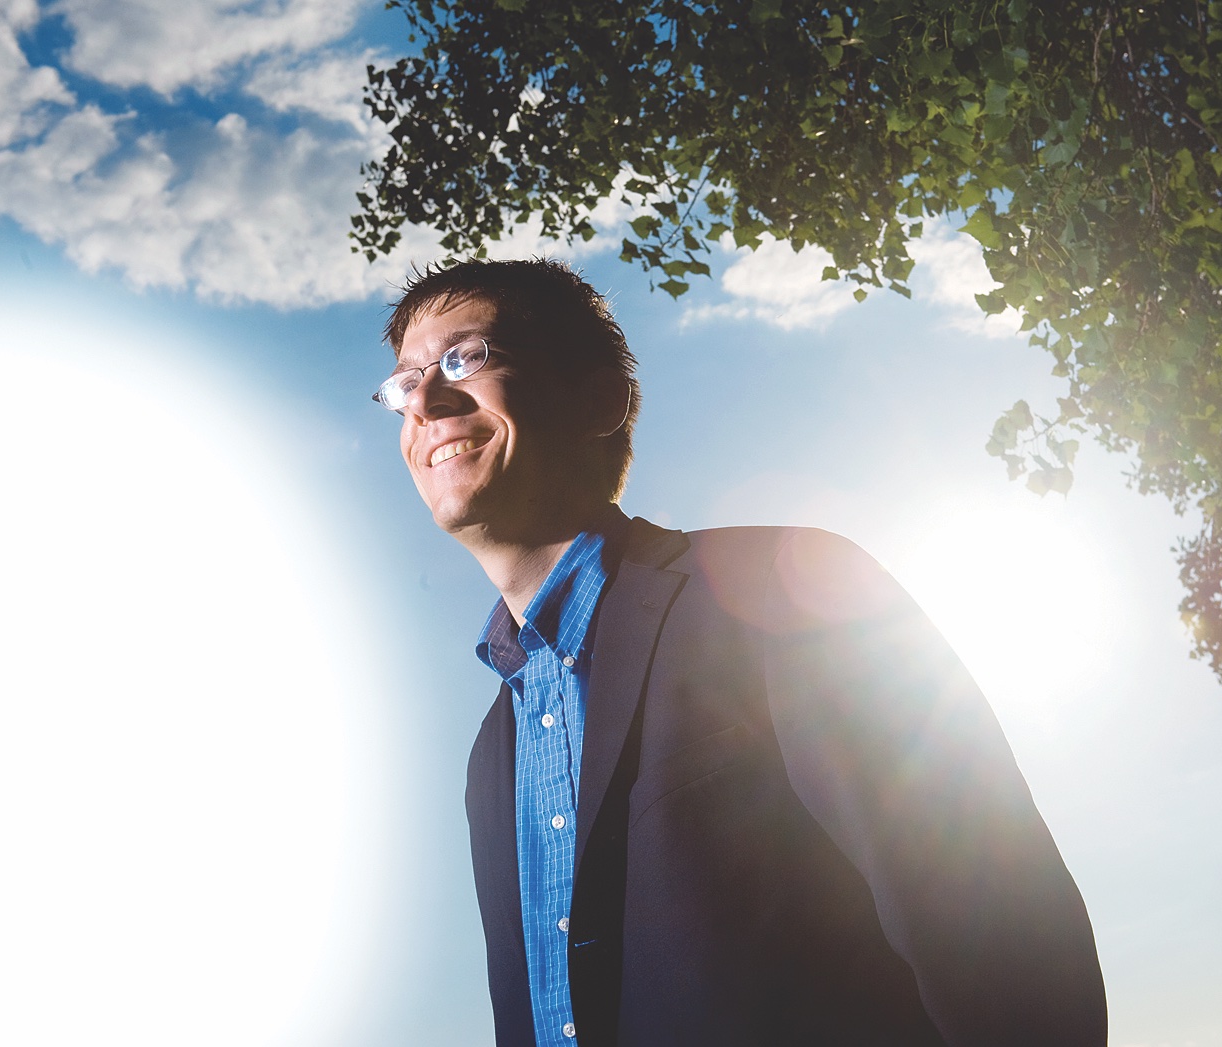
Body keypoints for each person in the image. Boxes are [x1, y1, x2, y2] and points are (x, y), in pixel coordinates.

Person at [376, 258, 1108, 1047]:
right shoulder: (490, 754)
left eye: (466, 357)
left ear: (598, 400)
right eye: (406, 382)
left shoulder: (786, 590)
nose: (424, 400)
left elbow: (1008, 933)